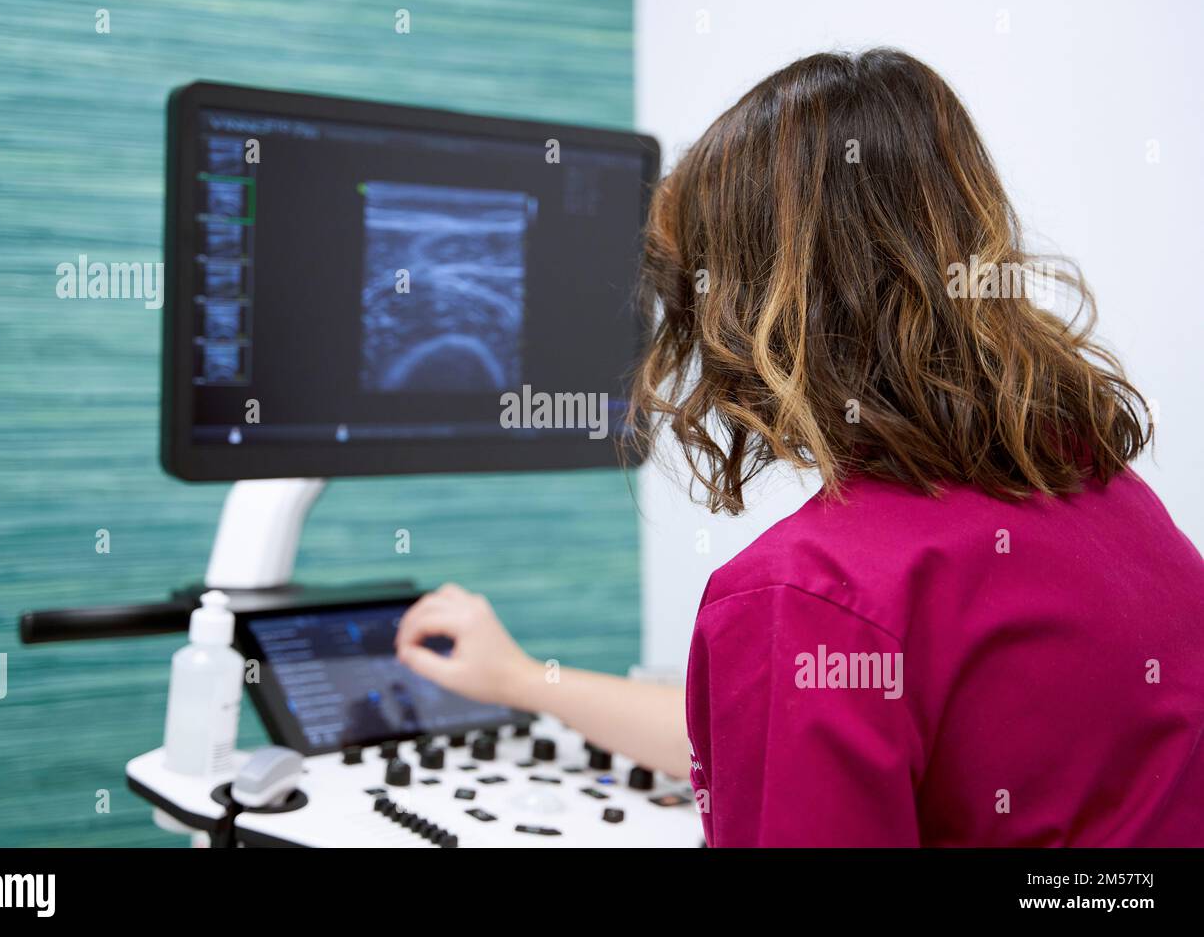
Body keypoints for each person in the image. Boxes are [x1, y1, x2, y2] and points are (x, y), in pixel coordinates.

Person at [396, 49, 1204, 847]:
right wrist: (521, 680)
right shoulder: (1111, 503)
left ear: (739, 310)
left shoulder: (814, 594)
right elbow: (793, 732)